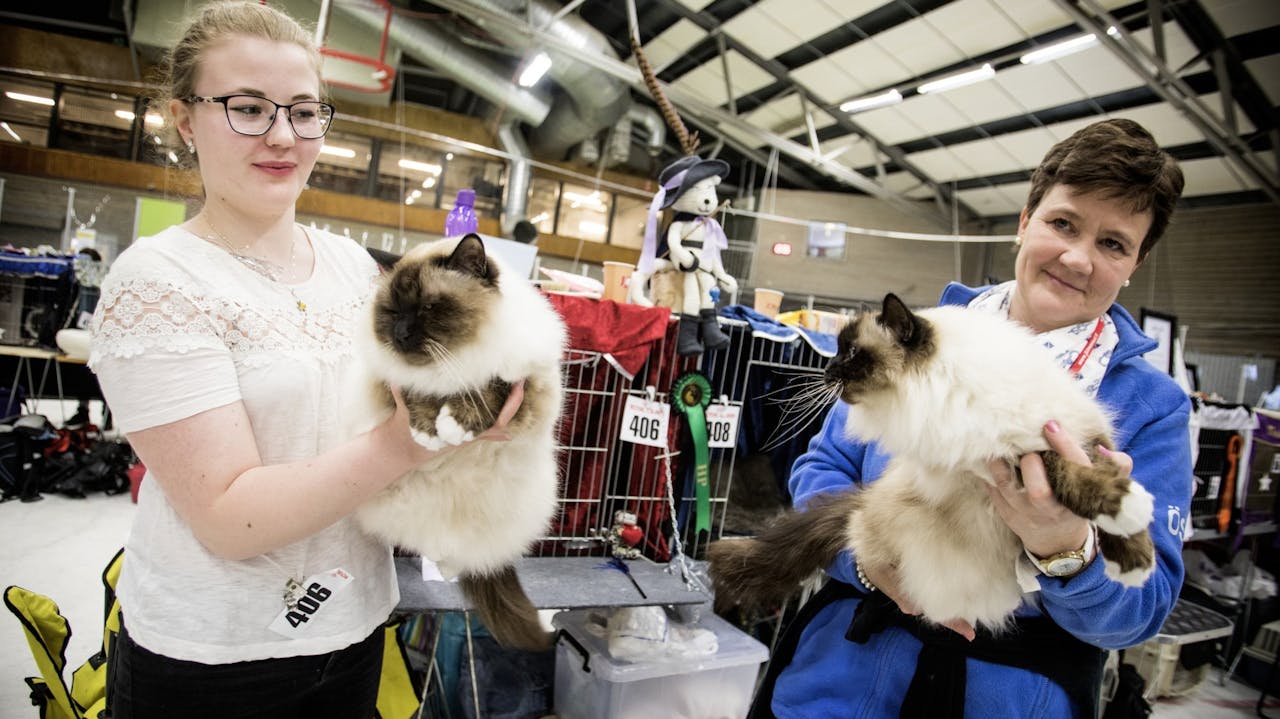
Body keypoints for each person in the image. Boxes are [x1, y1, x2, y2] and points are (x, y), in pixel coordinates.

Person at [87, 3, 521, 717]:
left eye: (304, 111)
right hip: (214, 659)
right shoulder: (157, 282)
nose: (283, 135)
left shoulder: (353, 267)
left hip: (356, 625)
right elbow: (227, 517)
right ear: (185, 120)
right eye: (248, 108)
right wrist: (413, 439)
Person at [753, 118, 1191, 718]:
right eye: (1063, 223)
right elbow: (822, 470)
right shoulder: (914, 338)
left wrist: (1066, 551)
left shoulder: (1153, 405)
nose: (1077, 258)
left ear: (1135, 262)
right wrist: (866, 563)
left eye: (1113, 244)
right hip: (840, 683)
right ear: (1025, 221)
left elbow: (1141, 612)